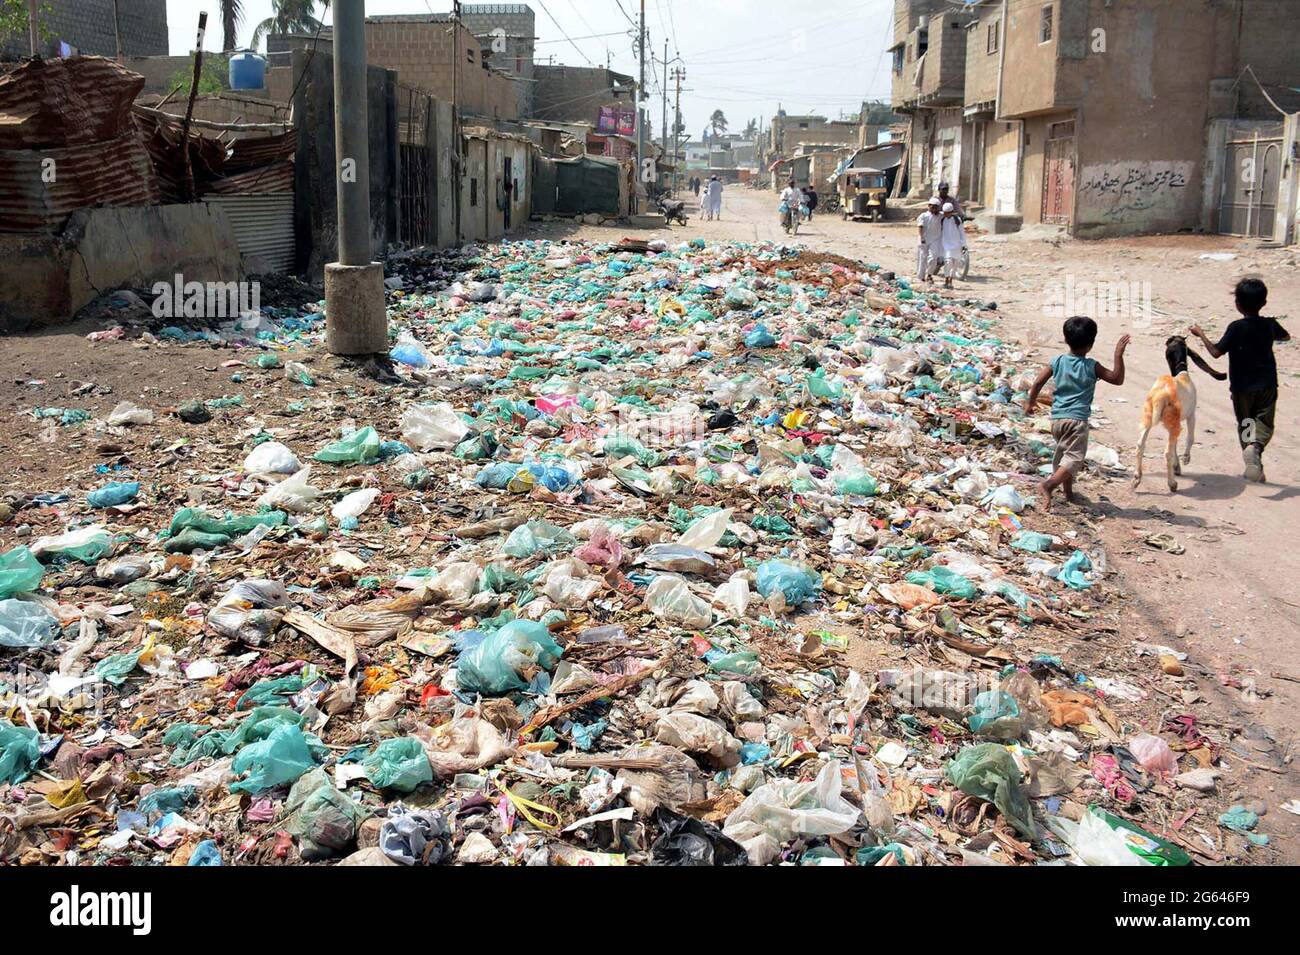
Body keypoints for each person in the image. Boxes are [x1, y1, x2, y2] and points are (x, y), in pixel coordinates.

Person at [1190, 278, 1290, 482]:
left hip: (1241, 387)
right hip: (1267, 383)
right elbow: (1286, 337)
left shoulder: (1235, 327)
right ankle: (1256, 454)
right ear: (1264, 303)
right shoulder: (1269, 324)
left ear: (1237, 304)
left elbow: (1216, 352)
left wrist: (1201, 334)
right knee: (1264, 423)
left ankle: (1252, 458)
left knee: (1246, 422)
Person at [1024, 316, 1130, 509]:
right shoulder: (1092, 366)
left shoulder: (1057, 361)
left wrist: (1030, 403)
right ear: (1091, 344)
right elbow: (1117, 379)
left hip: (1057, 420)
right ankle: (1048, 485)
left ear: (1065, 339)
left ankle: (1068, 492)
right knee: (1074, 459)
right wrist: (1118, 355)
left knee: (1064, 457)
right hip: (1077, 421)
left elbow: (1038, 382)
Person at [939, 201, 966, 289]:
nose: (945, 214)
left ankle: (950, 280)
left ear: (951, 212)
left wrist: (963, 244)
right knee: (948, 262)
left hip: (956, 245)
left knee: (955, 264)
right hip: (946, 245)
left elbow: (962, 232)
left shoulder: (956, 220)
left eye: (947, 213)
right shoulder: (942, 219)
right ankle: (946, 279)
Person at [915, 197, 943, 283]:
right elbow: (920, 227)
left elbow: (950, 214)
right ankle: (920, 276)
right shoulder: (923, 216)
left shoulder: (940, 215)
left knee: (933, 257)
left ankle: (930, 275)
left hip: (935, 239)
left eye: (936, 207)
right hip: (924, 239)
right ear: (929, 206)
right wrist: (922, 237)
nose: (934, 209)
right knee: (923, 258)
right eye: (933, 206)